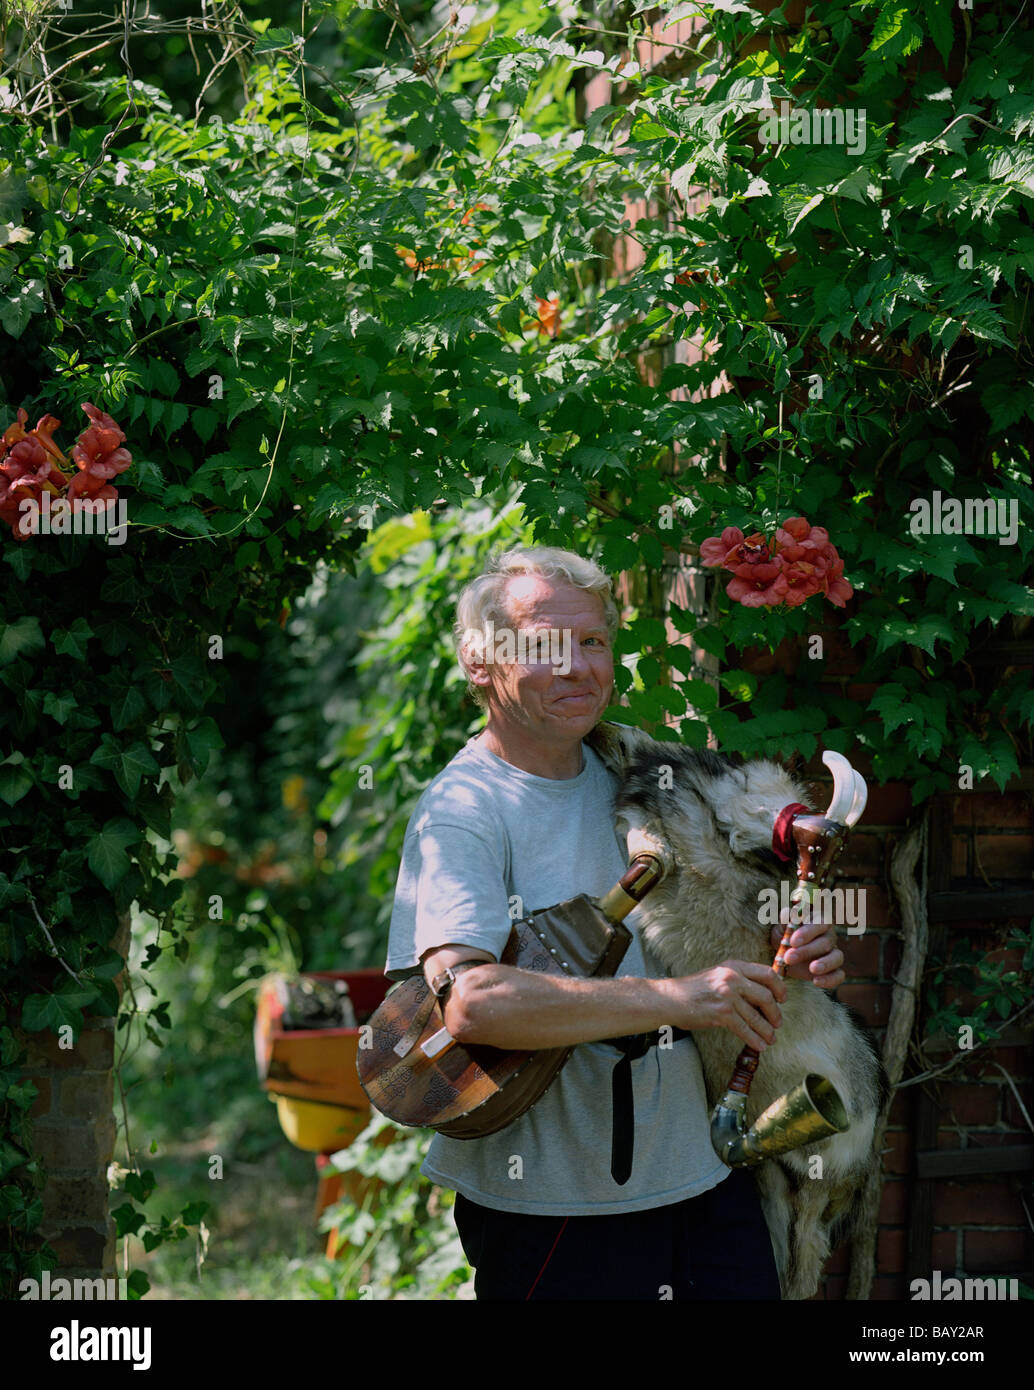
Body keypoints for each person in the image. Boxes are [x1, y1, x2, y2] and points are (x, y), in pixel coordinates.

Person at [384, 546, 845, 1300]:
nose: (578, 667)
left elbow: (717, 936)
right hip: (555, 1203)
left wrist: (788, 950)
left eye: (592, 642)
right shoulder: (464, 809)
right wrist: (684, 1000)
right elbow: (469, 1003)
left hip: (701, 1175)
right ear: (479, 665)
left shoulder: (650, 773)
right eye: (545, 646)